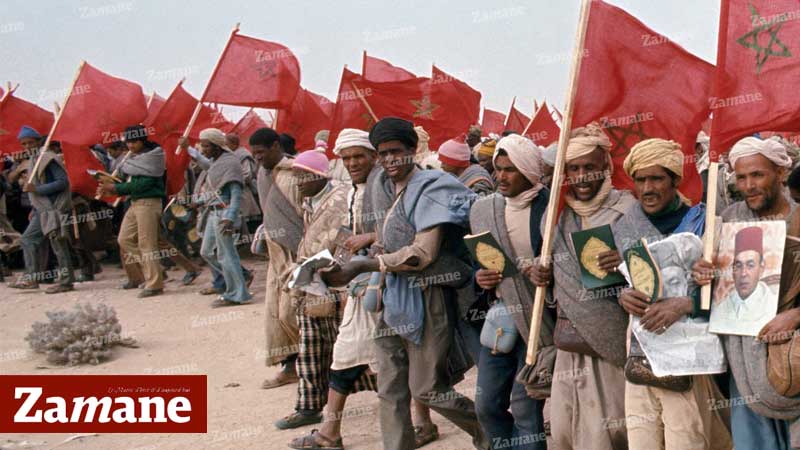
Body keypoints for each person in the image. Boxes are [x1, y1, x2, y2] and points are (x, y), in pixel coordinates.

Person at [322, 117, 486, 450]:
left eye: (397, 152)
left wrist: (365, 264)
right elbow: (386, 235)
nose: (390, 160)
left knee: (427, 389)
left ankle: (490, 431)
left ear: (412, 150)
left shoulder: (433, 187)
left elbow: (423, 253)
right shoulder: (381, 187)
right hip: (392, 295)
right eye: (383, 154)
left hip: (429, 294)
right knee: (390, 387)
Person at [614, 138, 730, 450]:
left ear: (676, 180)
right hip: (640, 355)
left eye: (657, 178)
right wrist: (623, 297)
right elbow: (625, 284)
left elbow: (732, 293)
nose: (648, 188)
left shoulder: (705, 224)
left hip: (687, 359)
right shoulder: (625, 226)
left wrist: (686, 304)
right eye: (640, 179)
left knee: (686, 441)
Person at [529, 124, 635, 450]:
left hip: (614, 337)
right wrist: (540, 272)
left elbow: (653, 267)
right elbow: (550, 265)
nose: (582, 176)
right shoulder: (556, 215)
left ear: (606, 166)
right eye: (573, 168)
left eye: (590, 167)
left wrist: (626, 260)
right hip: (570, 339)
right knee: (566, 428)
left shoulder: (627, 209)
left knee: (615, 428)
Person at [693, 136, 800, 450]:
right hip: (744, 363)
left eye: (758, 175)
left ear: (780, 173)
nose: (749, 185)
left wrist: (795, 315)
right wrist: (703, 274)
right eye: (741, 177)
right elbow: (713, 288)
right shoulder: (727, 222)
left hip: (793, 358)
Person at [288, 128, 380, 449]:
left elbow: (396, 231)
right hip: (357, 287)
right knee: (347, 356)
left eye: (359, 156)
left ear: (374, 156)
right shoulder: (354, 192)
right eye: (347, 158)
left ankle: (430, 421)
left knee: (396, 364)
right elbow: (347, 238)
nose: (353, 163)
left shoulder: (378, 188)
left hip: (382, 286)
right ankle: (330, 433)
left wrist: (368, 244)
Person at [471, 134, 553, 450]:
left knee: (525, 405)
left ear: (529, 171)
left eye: (510, 170)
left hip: (539, 321)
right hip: (502, 319)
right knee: (487, 404)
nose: (500, 177)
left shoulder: (551, 208)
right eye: (498, 168)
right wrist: (482, 278)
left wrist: (546, 272)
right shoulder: (485, 210)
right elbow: (477, 261)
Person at [251, 127, 304, 390]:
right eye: (254, 154)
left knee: (294, 310)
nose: (258, 158)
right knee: (276, 313)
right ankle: (290, 366)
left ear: (275, 146)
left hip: (299, 253)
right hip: (275, 254)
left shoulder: (297, 172)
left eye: (261, 152)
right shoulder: (261, 175)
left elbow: (306, 214)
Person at [97, 124, 166, 298]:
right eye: (128, 143)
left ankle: (154, 283)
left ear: (143, 140)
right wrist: (108, 183)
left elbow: (145, 184)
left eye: (134, 142)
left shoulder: (154, 156)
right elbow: (126, 179)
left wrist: (116, 188)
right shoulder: (133, 158)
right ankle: (155, 271)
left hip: (149, 203)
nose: (130, 146)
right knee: (124, 239)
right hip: (135, 202)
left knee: (146, 243)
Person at [9, 126, 74, 293]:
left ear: (38, 141)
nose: (28, 146)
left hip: (55, 208)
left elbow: (62, 183)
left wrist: (36, 190)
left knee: (58, 243)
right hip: (41, 210)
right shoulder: (33, 160)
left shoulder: (48, 159)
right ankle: (32, 279)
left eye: (31, 142)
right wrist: (35, 207)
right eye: (24, 144)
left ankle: (66, 281)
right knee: (27, 240)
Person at [196, 128, 252, 307]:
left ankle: (236, 294)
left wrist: (230, 217)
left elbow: (236, 194)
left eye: (205, 146)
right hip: (213, 213)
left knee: (227, 255)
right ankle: (240, 277)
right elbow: (207, 167)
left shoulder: (231, 163)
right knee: (207, 252)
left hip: (223, 214)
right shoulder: (217, 162)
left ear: (216, 146)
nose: (203, 150)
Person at [710, 226, 773, 332]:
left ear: (761, 269)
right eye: (738, 266)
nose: (743, 273)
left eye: (750, 265)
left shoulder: (770, 305)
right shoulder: (723, 306)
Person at [224, 133, 261, 233]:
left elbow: (247, 175)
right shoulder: (228, 156)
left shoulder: (243, 156)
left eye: (226, 144)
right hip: (232, 196)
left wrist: (231, 182)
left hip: (244, 194)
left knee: (249, 226)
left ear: (234, 144)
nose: (224, 147)